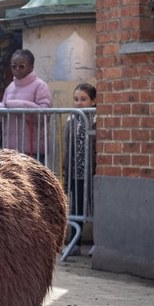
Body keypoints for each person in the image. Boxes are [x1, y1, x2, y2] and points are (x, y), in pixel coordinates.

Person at [0, 48, 53, 160]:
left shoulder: (40, 86)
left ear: (31, 67)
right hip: (10, 151)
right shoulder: (10, 87)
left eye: (22, 66)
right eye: (13, 66)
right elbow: (5, 112)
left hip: (32, 152)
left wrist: (13, 105)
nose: (17, 69)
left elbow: (44, 115)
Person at [69, 83, 97, 217]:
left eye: (83, 99)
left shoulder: (97, 119)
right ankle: (76, 237)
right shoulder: (71, 119)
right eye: (76, 99)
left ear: (93, 101)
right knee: (77, 209)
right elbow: (68, 150)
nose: (79, 103)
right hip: (77, 173)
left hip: (93, 173)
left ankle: (98, 238)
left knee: (96, 207)